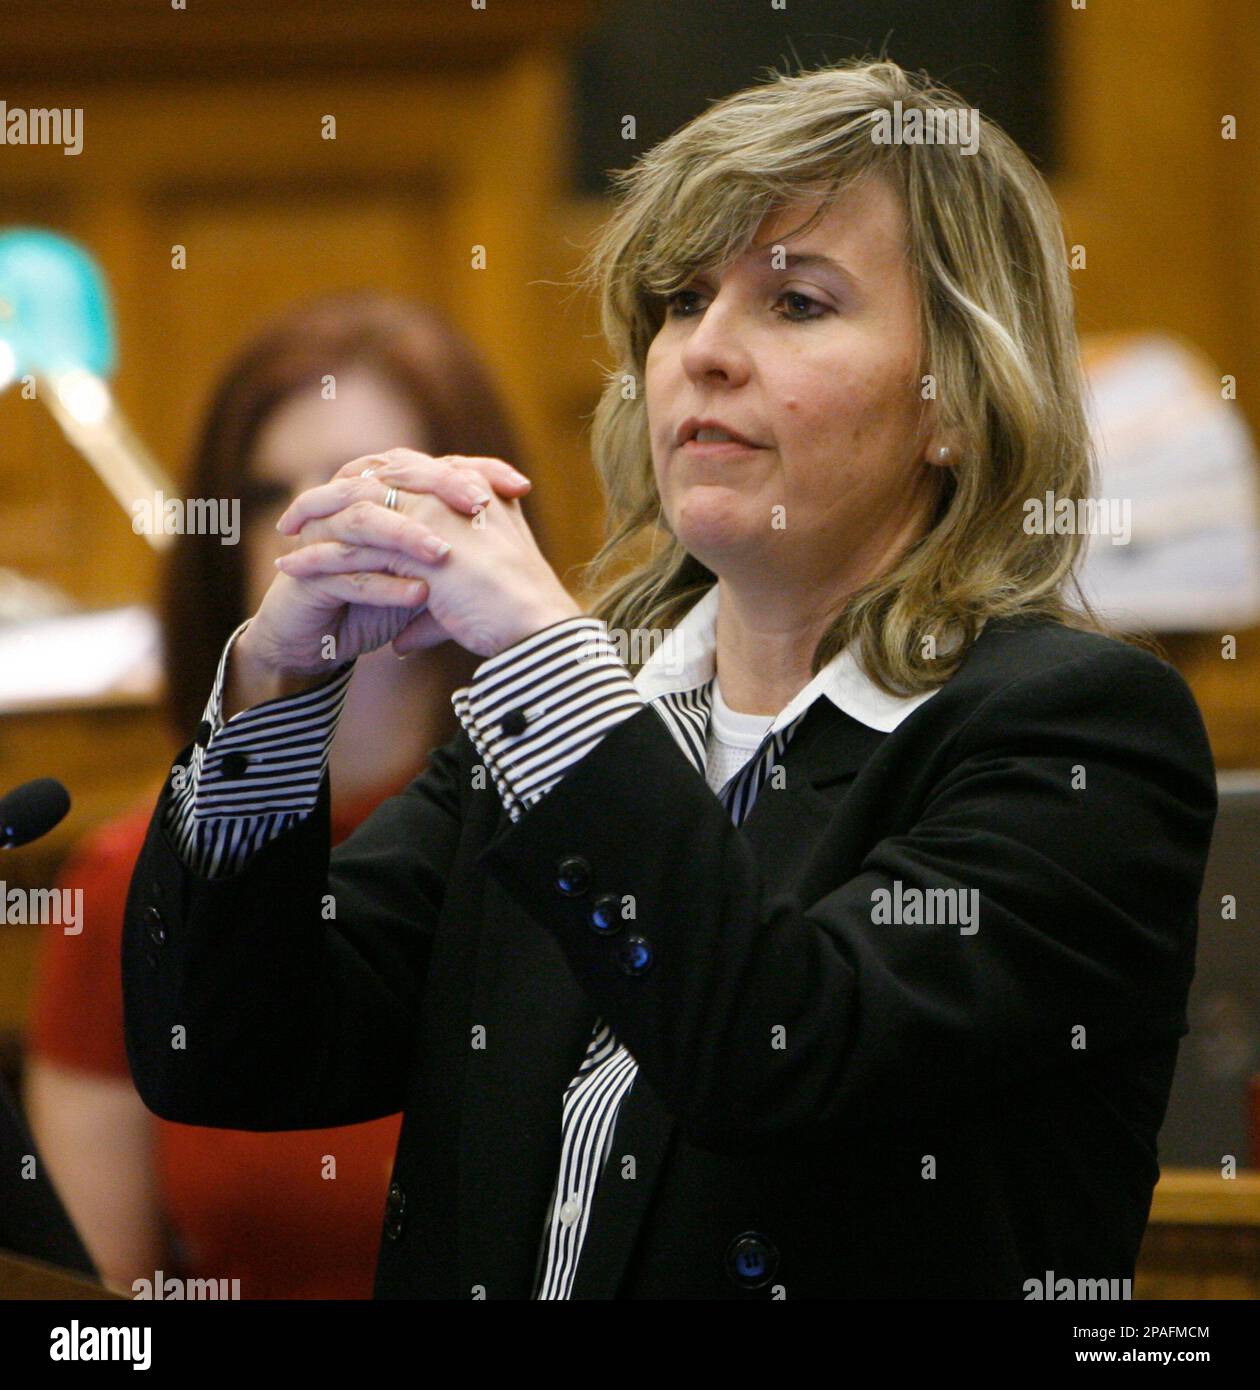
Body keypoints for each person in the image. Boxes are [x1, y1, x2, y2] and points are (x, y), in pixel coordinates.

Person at [120, 60, 1218, 1299]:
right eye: (682, 299)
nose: (703, 351)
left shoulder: (1074, 735)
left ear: (955, 399)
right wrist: (273, 690)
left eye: (795, 303)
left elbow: (778, 1046)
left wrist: (546, 661)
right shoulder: (550, 737)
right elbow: (222, 1052)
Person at [25, 291, 534, 1297]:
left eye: (372, 486)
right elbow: (96, 1306)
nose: (317, 526)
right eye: (267, 494)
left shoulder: (564, 832)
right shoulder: (138, 877)